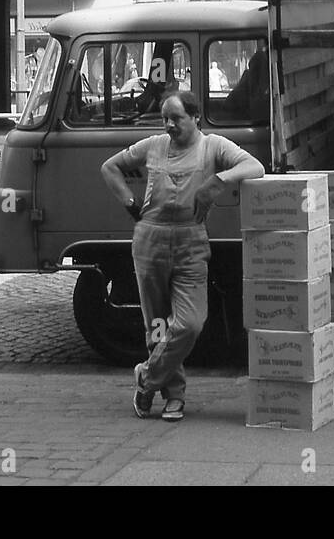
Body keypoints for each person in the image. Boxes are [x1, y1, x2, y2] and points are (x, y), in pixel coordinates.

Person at [99, 91, 264, 422]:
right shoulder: (154, 145)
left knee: (189, 324)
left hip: (191, 243)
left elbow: (254, 166)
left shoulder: (213, 146)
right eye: (165, 118)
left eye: (176, 118)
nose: (169, 125)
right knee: (157, 323)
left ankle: (146, 379)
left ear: (195, 118)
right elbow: (110, 168)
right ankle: (174, 395)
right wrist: (130, 204)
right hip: (150, 241)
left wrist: (218, 179)